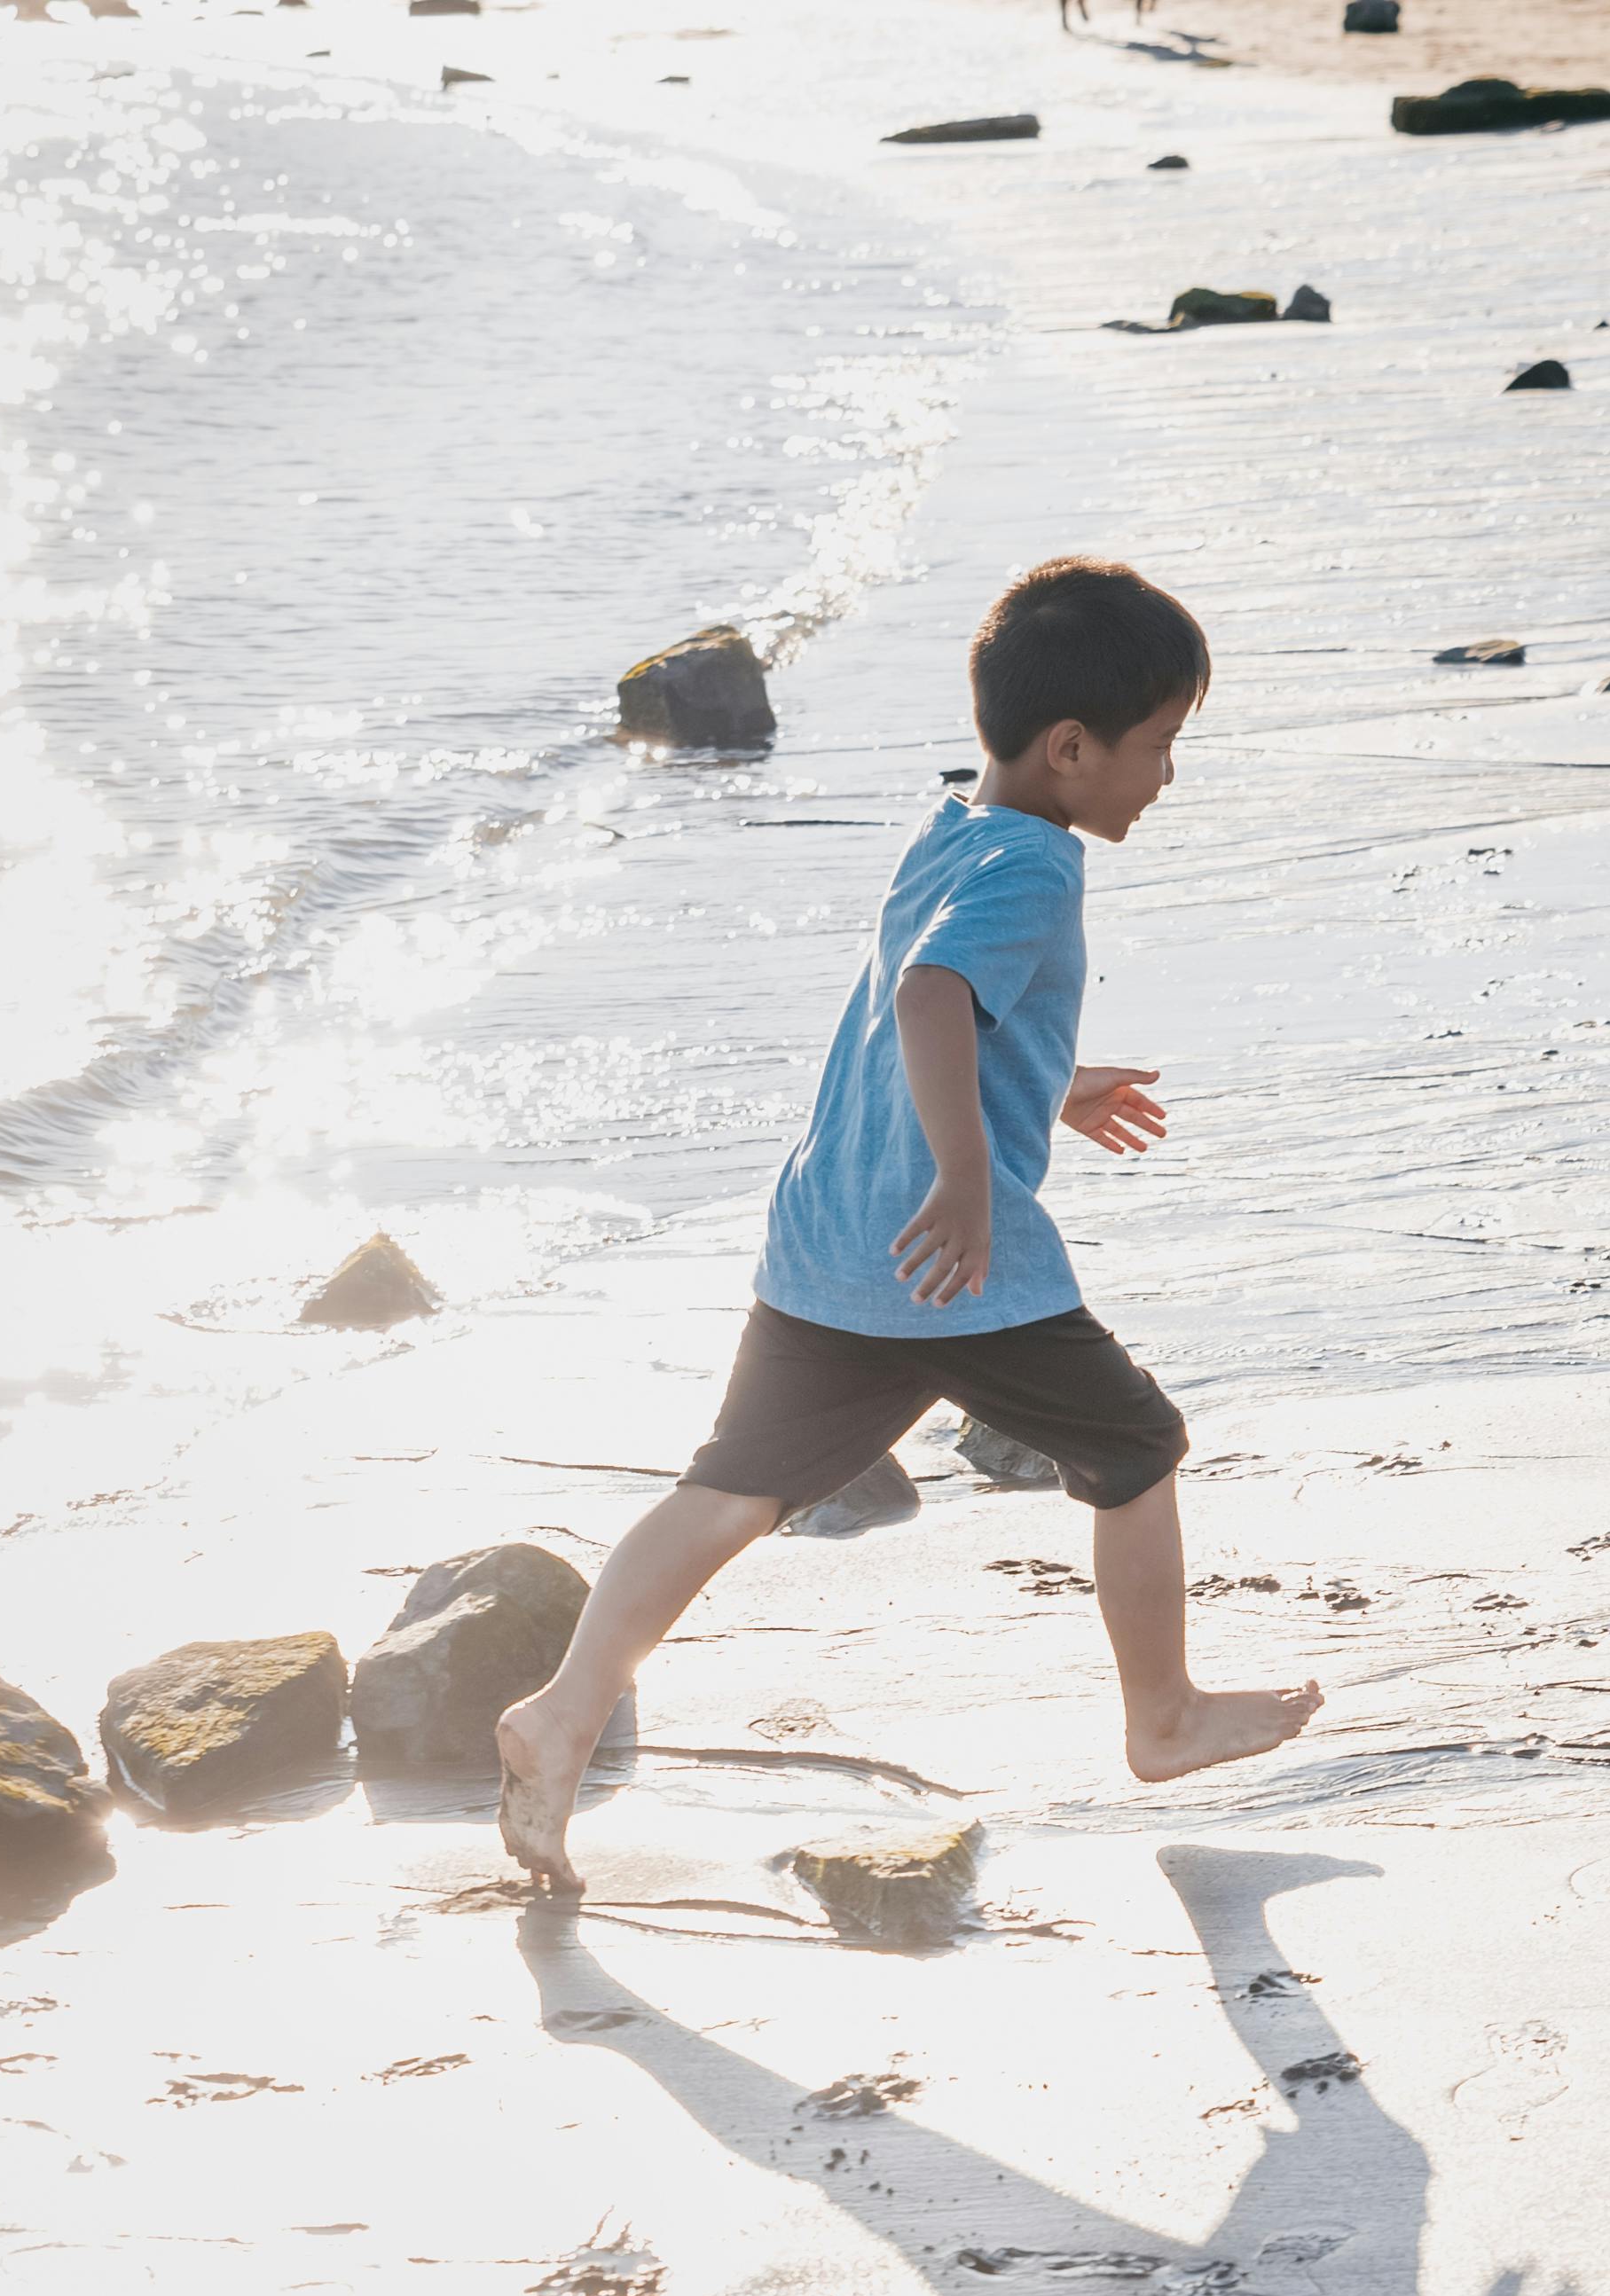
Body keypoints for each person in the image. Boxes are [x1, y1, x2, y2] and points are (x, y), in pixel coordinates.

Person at [494, 559, 1322, 1887]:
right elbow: (935, 994)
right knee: (1136, 1450)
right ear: (1069, 750)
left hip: (830, 1238)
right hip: (954, 1261)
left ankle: (563, 1709)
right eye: (1160, 746)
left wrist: (1048, 1087)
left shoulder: (954, 828)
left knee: (729, 1489)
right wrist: (967, 1178)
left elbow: (935, 1015)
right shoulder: (1035, 871)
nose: (1168, 774)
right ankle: (1161, 1717)